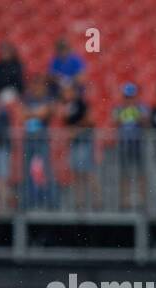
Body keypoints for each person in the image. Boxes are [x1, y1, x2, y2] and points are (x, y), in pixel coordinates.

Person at [20, 75, 56, 208]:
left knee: (45, 169)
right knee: (28, 170)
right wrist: (36, 113)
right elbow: (23, 115)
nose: (37, 88)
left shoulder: (47, 99)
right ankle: (30, 200)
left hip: (41, 138)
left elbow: (45, 113)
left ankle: (51, 200)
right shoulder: (28, 99)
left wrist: (32, 113)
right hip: (29, 138)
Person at [62, 80, 98, 209]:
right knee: (77, 174)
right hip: (75, 143)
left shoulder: (81, 104)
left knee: (87, 173)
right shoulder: (68, 105)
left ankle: (96, 201)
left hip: (83, 142)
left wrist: (76, 130)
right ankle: (79, 202)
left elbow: (90, 121)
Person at [112, 83, 148, 208]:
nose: (129, 99)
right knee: (124, 174)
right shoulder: (119, 108)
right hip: (124, 144)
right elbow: (115, 122)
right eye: (127, 97)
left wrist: (134, 113)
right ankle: (124, 201)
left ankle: (143, 201)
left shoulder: (141, 108)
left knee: (141, 173)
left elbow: (145, 121)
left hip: (138, 144)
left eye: (131, 96)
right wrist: (129, 113)